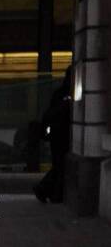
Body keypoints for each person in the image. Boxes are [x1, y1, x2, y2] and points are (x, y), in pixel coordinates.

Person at [34, 65, 72, 204]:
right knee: (60, 166)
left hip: (56, 135)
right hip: (62, 135)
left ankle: (47, 190)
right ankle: (47, 191)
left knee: (58, 165)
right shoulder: (67, 95)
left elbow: (49, 113)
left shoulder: (59, 93)